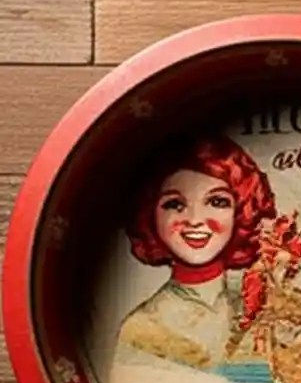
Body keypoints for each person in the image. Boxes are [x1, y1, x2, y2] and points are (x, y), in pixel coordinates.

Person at [115, 136, 277, 370]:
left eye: (217, 202)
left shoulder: (261, 304)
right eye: (175, 205)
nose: (195, 220)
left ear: (241, 211)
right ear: (150, 216)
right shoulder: (141, 328)